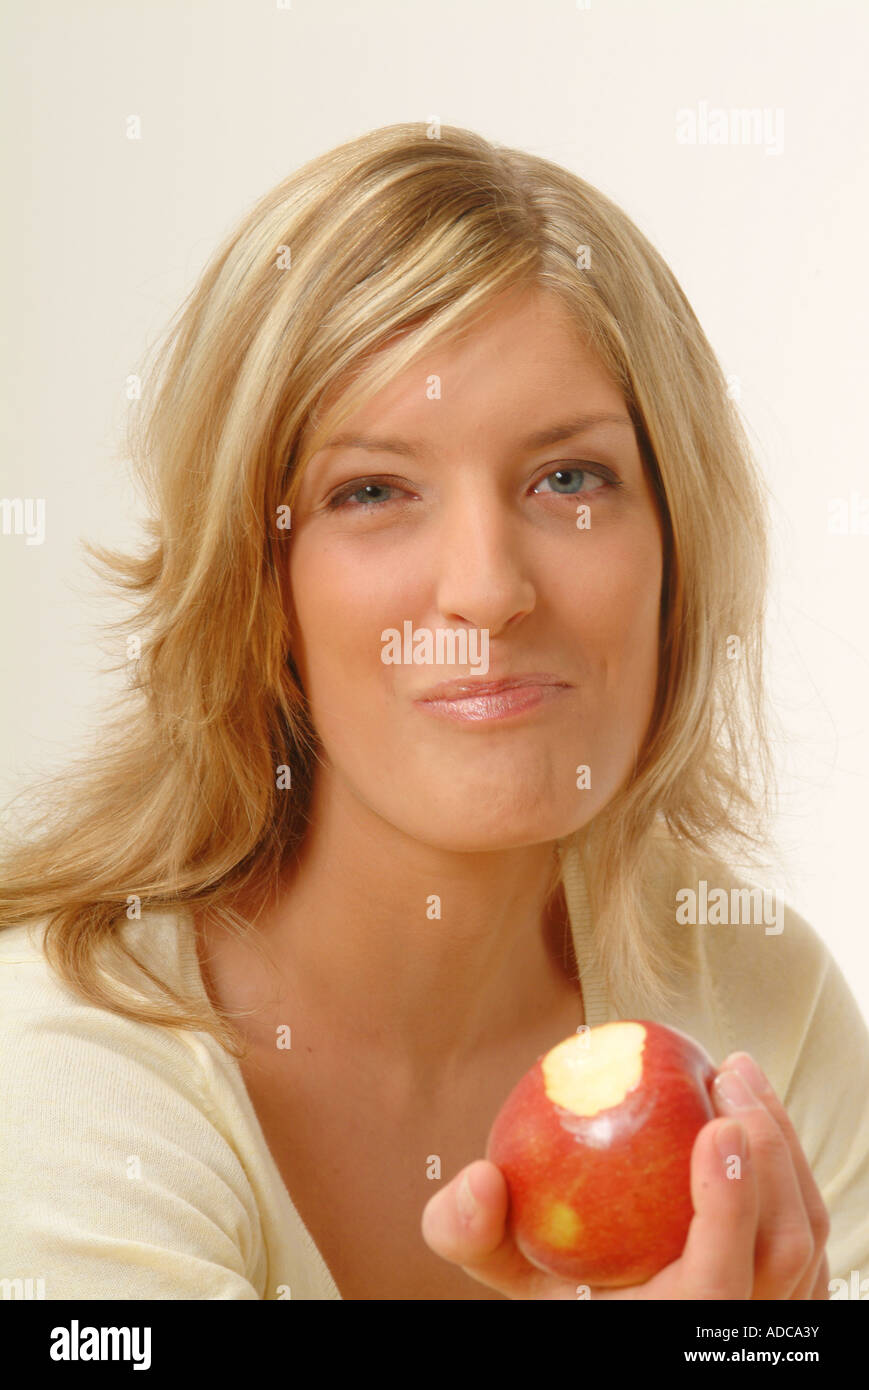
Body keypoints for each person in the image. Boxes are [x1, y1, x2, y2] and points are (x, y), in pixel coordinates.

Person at [1, 122, 866, 1302]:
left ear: (676, 545)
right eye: (372, 491)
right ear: (260, 590)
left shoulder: (756, 1001)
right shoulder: (61, 1072)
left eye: (567, 478)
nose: (486, 589)